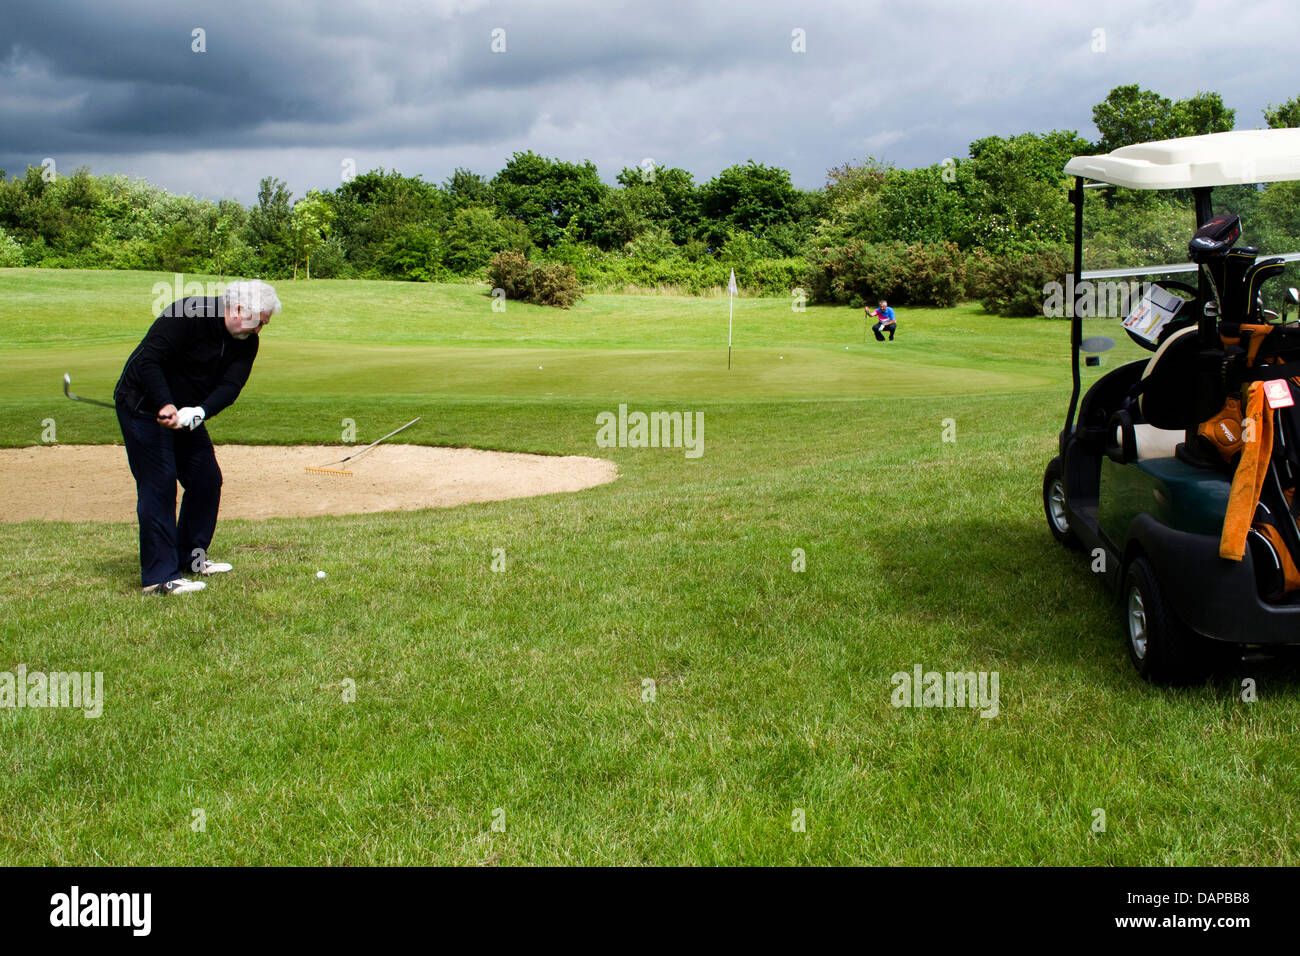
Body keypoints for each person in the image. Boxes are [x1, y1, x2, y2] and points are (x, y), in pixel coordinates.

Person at [114, 280, 281, 595]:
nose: (260, 330)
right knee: (159, 484)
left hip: (185, 414)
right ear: (239, 309)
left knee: (206, 480)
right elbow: (149, 361)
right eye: (260, 321)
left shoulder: (246, 341)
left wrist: (199, 412)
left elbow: (230, 387)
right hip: (142, 406)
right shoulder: (187, 315)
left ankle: (192, 558)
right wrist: (164, 403)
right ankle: (159, 577)